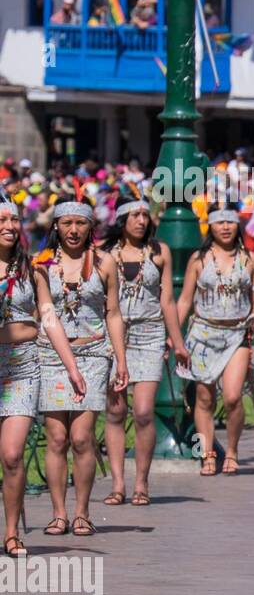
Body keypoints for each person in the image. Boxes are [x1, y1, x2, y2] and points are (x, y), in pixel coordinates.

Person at [37, 201, 130, 538]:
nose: (73, 230)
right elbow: (45, 315)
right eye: (66, 224)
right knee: (57, 437)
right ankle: (58, 513)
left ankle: (82, 512)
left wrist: (121, 359)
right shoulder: (42, 265)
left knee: (80, 437)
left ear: (91, 227)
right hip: (50, 355)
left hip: (93, 353)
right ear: (56, 227)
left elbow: (114, 313)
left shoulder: (105, 263)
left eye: (80, 224)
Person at [0, 197, 85, 557]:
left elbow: (49, 318)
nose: (9, 225)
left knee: (12, 454)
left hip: (22, 370)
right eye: (1, 219)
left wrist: (72, 367)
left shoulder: (31, 269)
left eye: (14, 220)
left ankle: (12, 532)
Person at [102, 199, 189, 506]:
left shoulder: (158, 251)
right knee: (114, 411)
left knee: (142, 411)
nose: (141, 220)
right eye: (134, 215)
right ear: (121, 219)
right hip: (113, 335)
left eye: (144, 215)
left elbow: (167, 301)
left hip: (150, 332)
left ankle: (141, 482)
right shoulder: (104, 253)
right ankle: (116, 484)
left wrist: (177, 342)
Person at [176, 208, 254, 476]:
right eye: (219, 222)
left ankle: (233, 450)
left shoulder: (249, 259)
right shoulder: (198, 259)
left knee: (233, 397)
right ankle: (207, 453)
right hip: (203, 333)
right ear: (210, 226)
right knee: (204, 397)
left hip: (237, 333)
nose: (225, 227)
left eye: (230, 222)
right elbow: (185, 299)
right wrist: (174, 335)